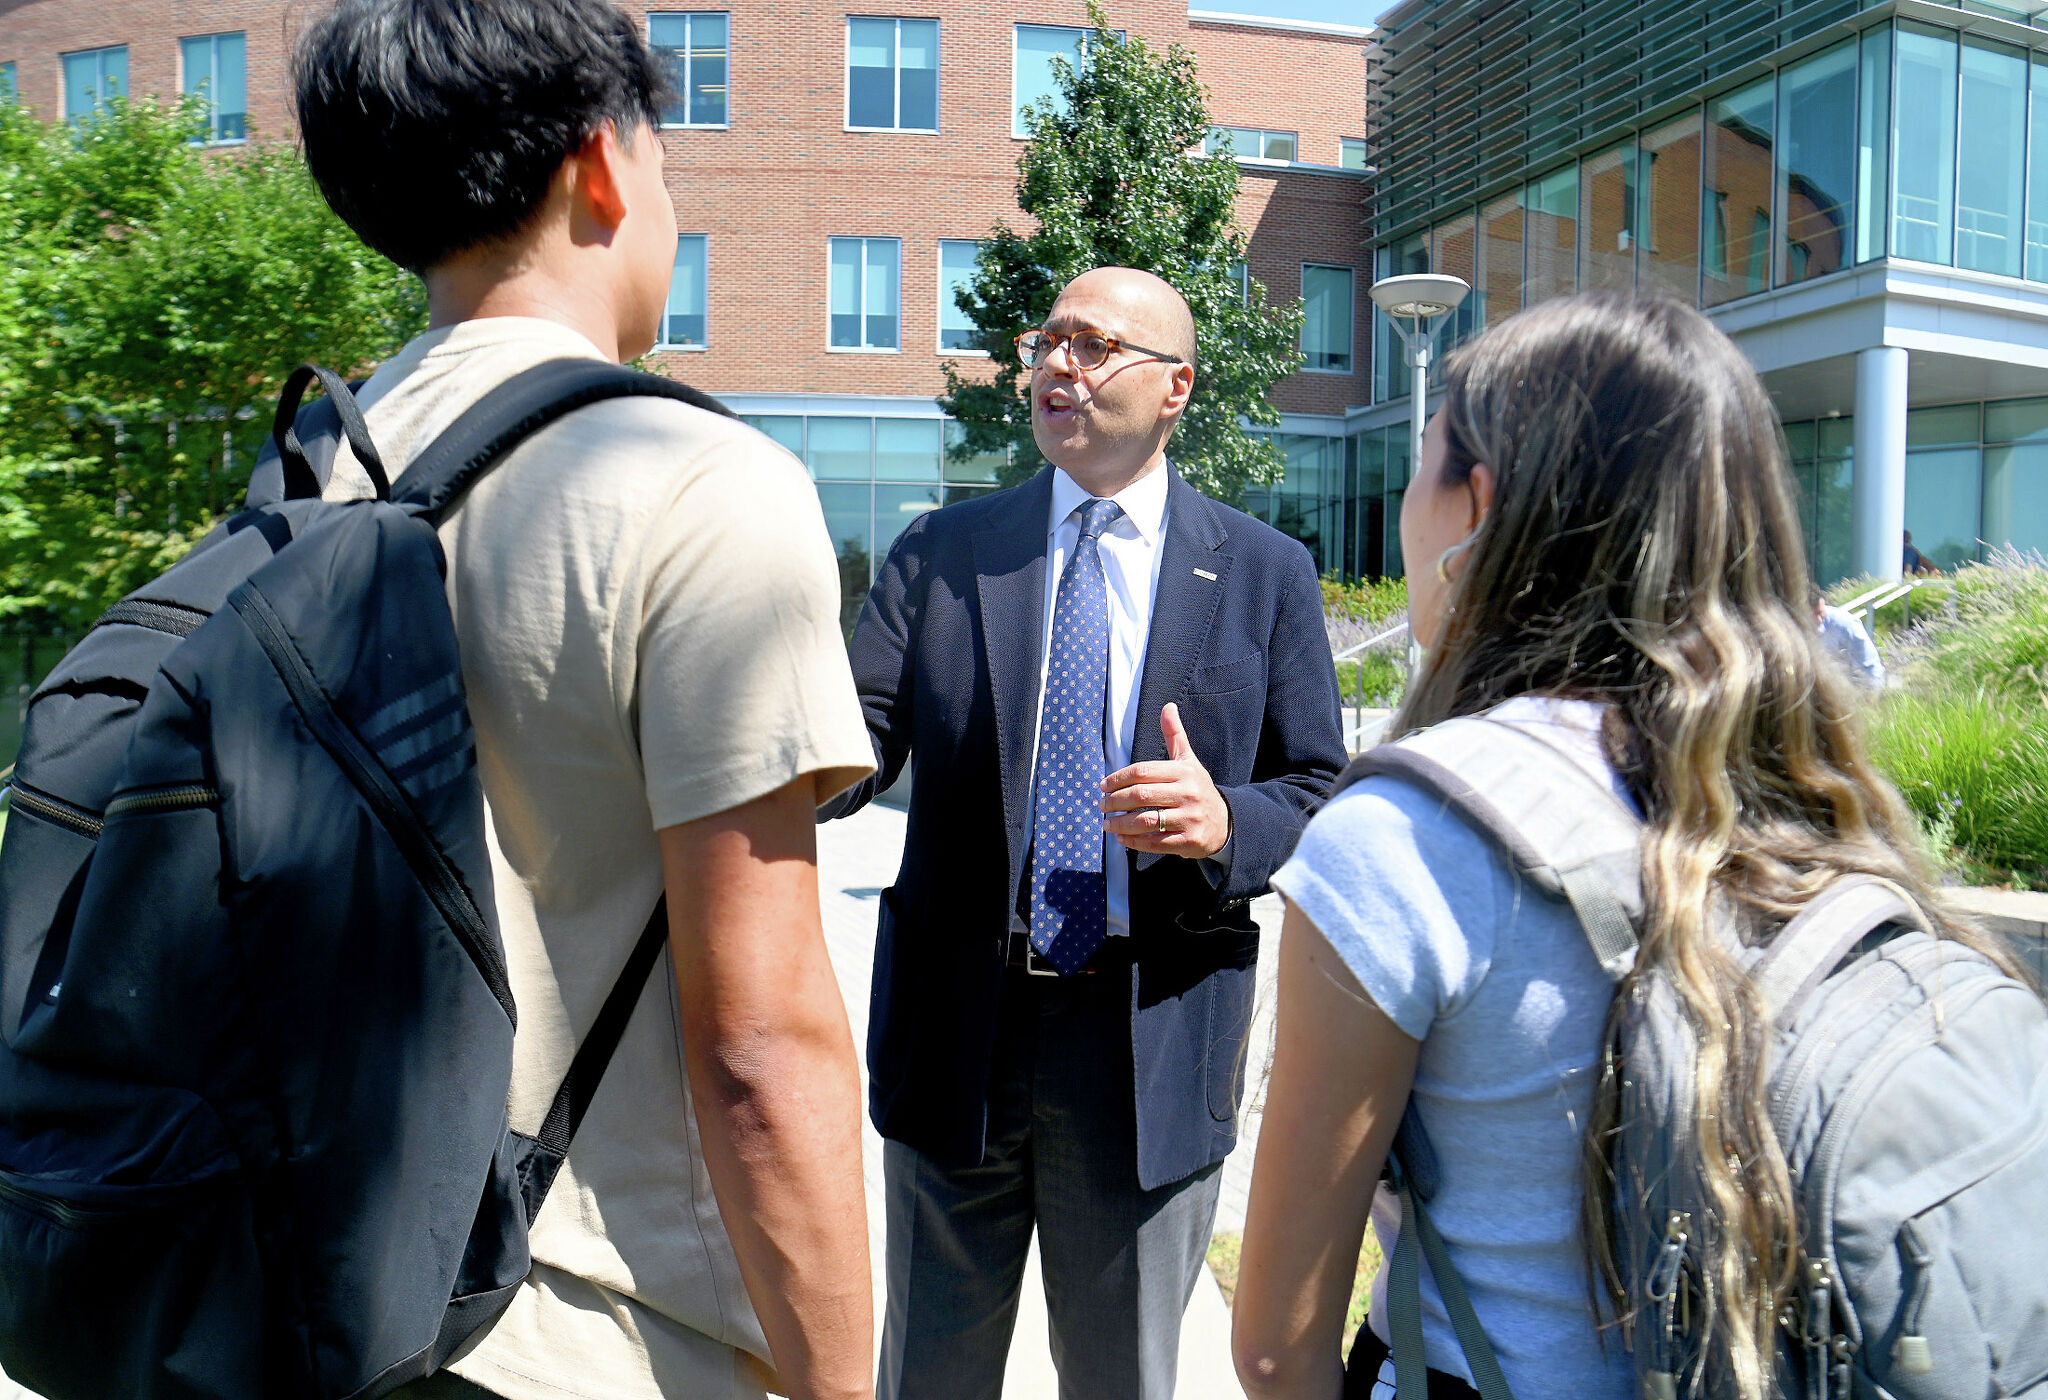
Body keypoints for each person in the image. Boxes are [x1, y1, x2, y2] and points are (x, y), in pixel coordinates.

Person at [1231, 292, 2002, 1399]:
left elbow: (1274, 1346)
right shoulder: (1815, 795)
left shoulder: (1407, 837)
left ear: (1477, 505)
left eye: (1422, 464)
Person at [291, 4, 877, 1398]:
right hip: (591, 1332)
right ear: (601, 165)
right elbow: (758, 1046)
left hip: (324, 1286)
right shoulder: (700, 484)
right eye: (668, 162)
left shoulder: (310, 476)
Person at [825, 266, 1345, 1400]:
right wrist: (757, 749)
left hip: (1147, 1038)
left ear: (1175, 386)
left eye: (1095, 345)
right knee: (928, 1373)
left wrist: (1223, 820)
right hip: (960, 1031)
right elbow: (851, 740)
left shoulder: (1262, 572)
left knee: (1120, 1378)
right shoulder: (941, 551)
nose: (1059, 364)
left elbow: (1316, 787)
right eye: (1048, 340)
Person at [1816, 596, 1886, 690]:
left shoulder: (1845, 625)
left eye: (1820, 613)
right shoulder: (1793, 627)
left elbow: (1870, 666)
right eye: (1810, 614)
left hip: (1852, 688)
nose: (1819, 620)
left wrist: (1874, 697)